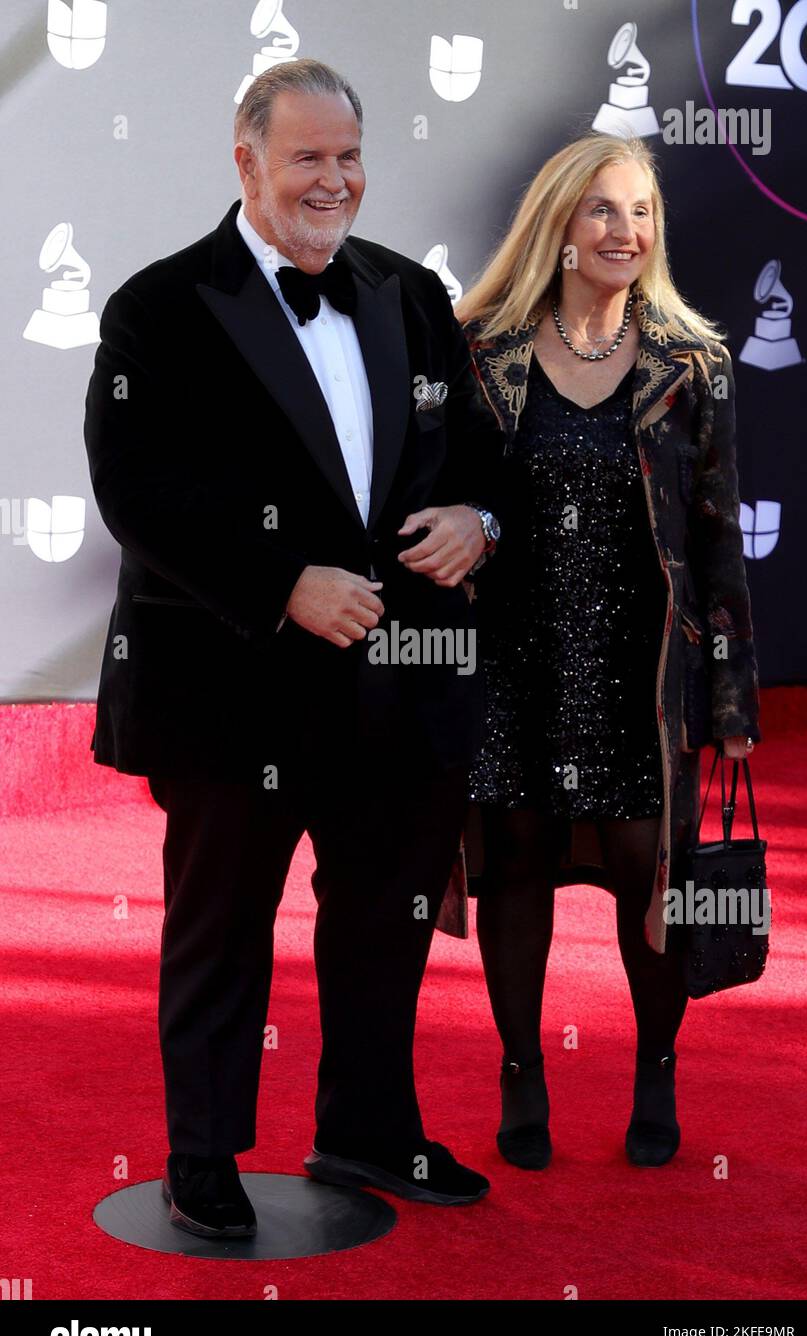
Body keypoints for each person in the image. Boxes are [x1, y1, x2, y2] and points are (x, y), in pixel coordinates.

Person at [84, 58, 505, 1238]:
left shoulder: (409, 295)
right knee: (221, 927)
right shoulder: (159, 307)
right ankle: (202, 1154)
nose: (335, 181)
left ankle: (366, 1126)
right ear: (247, 162)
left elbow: (473, 446)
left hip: (401, 688)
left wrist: (482, 519)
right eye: (308, 158)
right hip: (233, 686)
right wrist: (280, 585)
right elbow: (137, 490)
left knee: (387, 915)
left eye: (349, 158)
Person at [453, 133, 761, 1171]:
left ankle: (655, 1065)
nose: (623, 231)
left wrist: (729, 705)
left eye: (639, 213)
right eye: (599, 210)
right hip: (515, 660)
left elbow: (716, 536)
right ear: (556, 223)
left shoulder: (694, 363)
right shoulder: (481, 353)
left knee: (648, 869)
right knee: (517, 864)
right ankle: (518, 1067)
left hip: (642, 668)